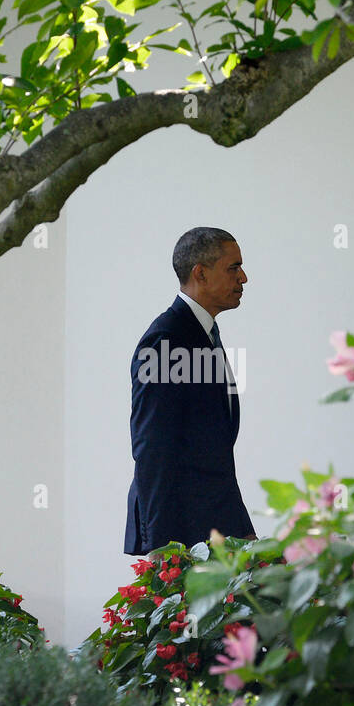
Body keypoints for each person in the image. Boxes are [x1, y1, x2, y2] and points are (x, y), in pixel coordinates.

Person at [124, 227, 256, 556]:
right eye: (233, 268)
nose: (244, 278)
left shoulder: (203, 331)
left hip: (219, 522)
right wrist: (161, 547)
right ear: (200, 273)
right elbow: (152, 446)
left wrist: (241, 527)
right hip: (182, 533)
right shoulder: (166, 338)